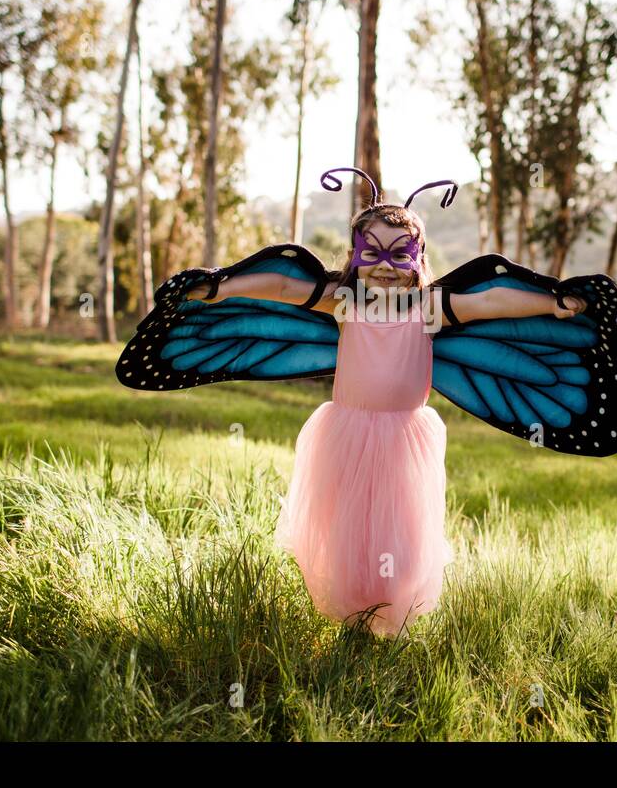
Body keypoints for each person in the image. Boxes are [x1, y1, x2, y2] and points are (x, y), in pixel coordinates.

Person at [184, 189, 586, 638]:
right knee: (349, 528)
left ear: (418, 259)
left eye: (400, 255)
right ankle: (354, 616)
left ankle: (390, 615)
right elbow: (281, 287)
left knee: (401, 533)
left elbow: (490, 302)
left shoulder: (430, 310)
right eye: (372, 253)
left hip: (404, 439)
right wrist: (221, 287)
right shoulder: (346, 302)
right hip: (348, 432)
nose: (385, 266)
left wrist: (551, 303)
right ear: (354, 256)